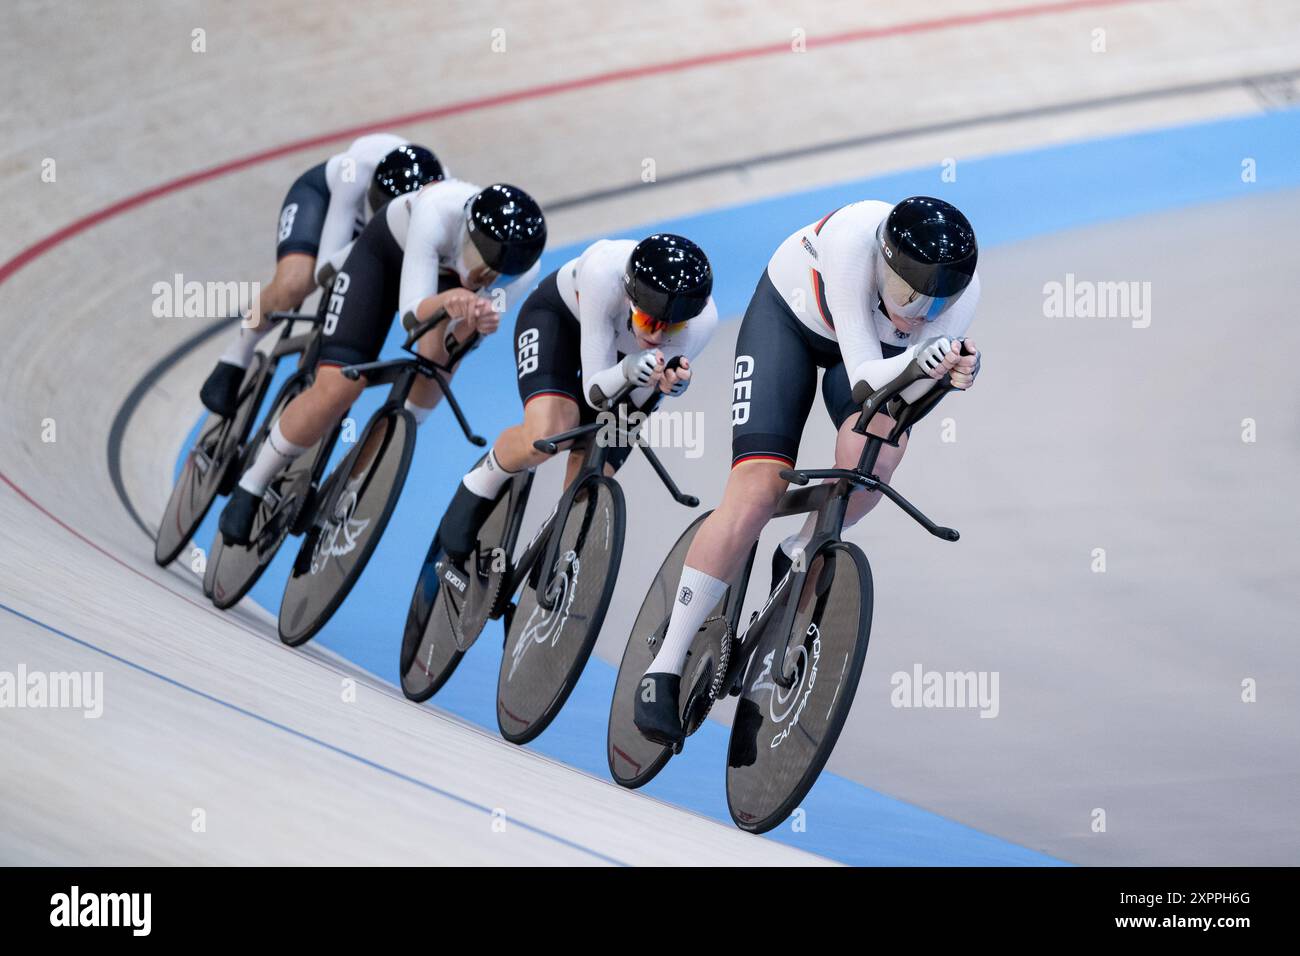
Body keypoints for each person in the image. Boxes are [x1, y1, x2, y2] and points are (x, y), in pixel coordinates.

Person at [634, 196, 984, 747]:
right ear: (882, 262)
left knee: (879, 459)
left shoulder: (964, 296)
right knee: (754, 493)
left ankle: (801, 546)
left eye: (935, 304)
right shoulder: (851, 243)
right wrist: (924, 361)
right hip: (791, 325)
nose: (915, 313)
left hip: (871, 359)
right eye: (904, 293)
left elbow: (901, 401)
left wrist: (946, 377)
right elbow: (869, 377)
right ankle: (667, 663)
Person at [216, 180, 547, 546]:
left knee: (436, 368)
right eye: (480, 266)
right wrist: (450, 299)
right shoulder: (437, 212)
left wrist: (474, 325)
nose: (485, 279)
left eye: (497, 276)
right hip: (385, 255)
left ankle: (356, 481)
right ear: (465, 234)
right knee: (339, 385)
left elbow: (460, 340)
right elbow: (411, 316)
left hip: (446, 287)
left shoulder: (524, 271)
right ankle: (252, 485)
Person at [434, 233, 718, 567]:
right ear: (630, 298)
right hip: (561, 321)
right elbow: (595, 394)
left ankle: (550, 552)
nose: (655, 336)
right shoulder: (602, 273)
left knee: (591, 477)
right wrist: (627, 369)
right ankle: (481, 480)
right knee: (548, 431)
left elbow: (634, 402)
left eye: (669, 329)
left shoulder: (701, 323)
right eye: (647, 321)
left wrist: (672, 385)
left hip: (627, 365)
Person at [199, 135, 446, 417]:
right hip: (325, 201)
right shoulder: (357, 168)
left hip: (390, 239)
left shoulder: (438, 200)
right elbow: (325, 267)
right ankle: (236, 354)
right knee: (295, 283)